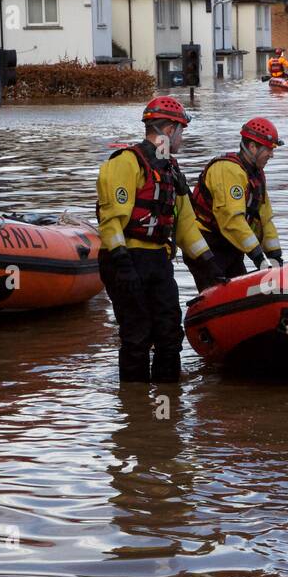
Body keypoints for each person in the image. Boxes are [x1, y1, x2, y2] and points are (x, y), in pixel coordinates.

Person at [96, 96, 224, 383]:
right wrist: (122, 263)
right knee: (137, 334)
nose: (183, 138)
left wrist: (211, 268)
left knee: (169, 334)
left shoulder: (172, 171)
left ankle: (167, 409)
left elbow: (187, 227)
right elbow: (111, 220)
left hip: (157, 258)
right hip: (125, 258)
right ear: (169, 131)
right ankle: (135, 408)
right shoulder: (126, 163)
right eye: (182, 131)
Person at [188, 117, 283, 290]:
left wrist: (276, 257)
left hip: (230, 247)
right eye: (269, 149)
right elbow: (232, 220)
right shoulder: (228, 170)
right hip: (208, 246)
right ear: (253, 147)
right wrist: (259, 258)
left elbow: (264, 219)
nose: (272, 155)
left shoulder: (256, 174)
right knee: (217, 295)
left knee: (241, 292)